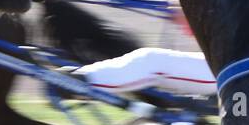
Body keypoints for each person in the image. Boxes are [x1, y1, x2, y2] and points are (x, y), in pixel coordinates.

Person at [72, 46, 215, 97]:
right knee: (150, 58)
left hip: (222, 71)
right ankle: (79, 77)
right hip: (221, 66)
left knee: (152, 61)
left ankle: (78, 82)